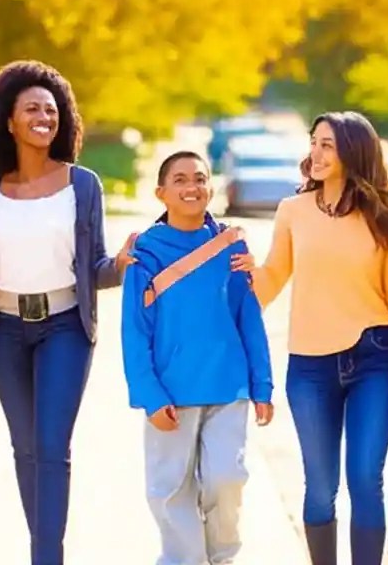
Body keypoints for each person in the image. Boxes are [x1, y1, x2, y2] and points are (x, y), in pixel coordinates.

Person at [0, 60, 134, 565]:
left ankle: (47, 558)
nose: (44, 117)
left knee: (51, 445)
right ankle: (42, 551)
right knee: (24, 447)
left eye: (51, 109)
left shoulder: (82, 185)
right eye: (32, 109)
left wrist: (125, 265)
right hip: (2, 331)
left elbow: (94, 268)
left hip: (66, 327)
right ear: (9, 120)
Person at [238, 111, 388, 565]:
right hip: (310, 366)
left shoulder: (385, 219)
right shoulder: (292, 211)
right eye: (314, 143)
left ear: (353, 152)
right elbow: (273, 278)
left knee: (365, 478)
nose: (316, 154)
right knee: (320, 489)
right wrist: (242, 273)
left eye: (328, 145)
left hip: (374, 357)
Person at [120, 151, 274, 565]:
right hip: (171, 391)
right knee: (170, 489)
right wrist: (148, 394)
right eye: (181, 180)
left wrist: (263, 385)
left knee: (227, 479)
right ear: (161, 192)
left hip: (229, 385)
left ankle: (221, 558)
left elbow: (249, 319)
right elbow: (135, 331)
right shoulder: (146, 253)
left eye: (200, 179)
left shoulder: (231, 245)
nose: (192, 187)